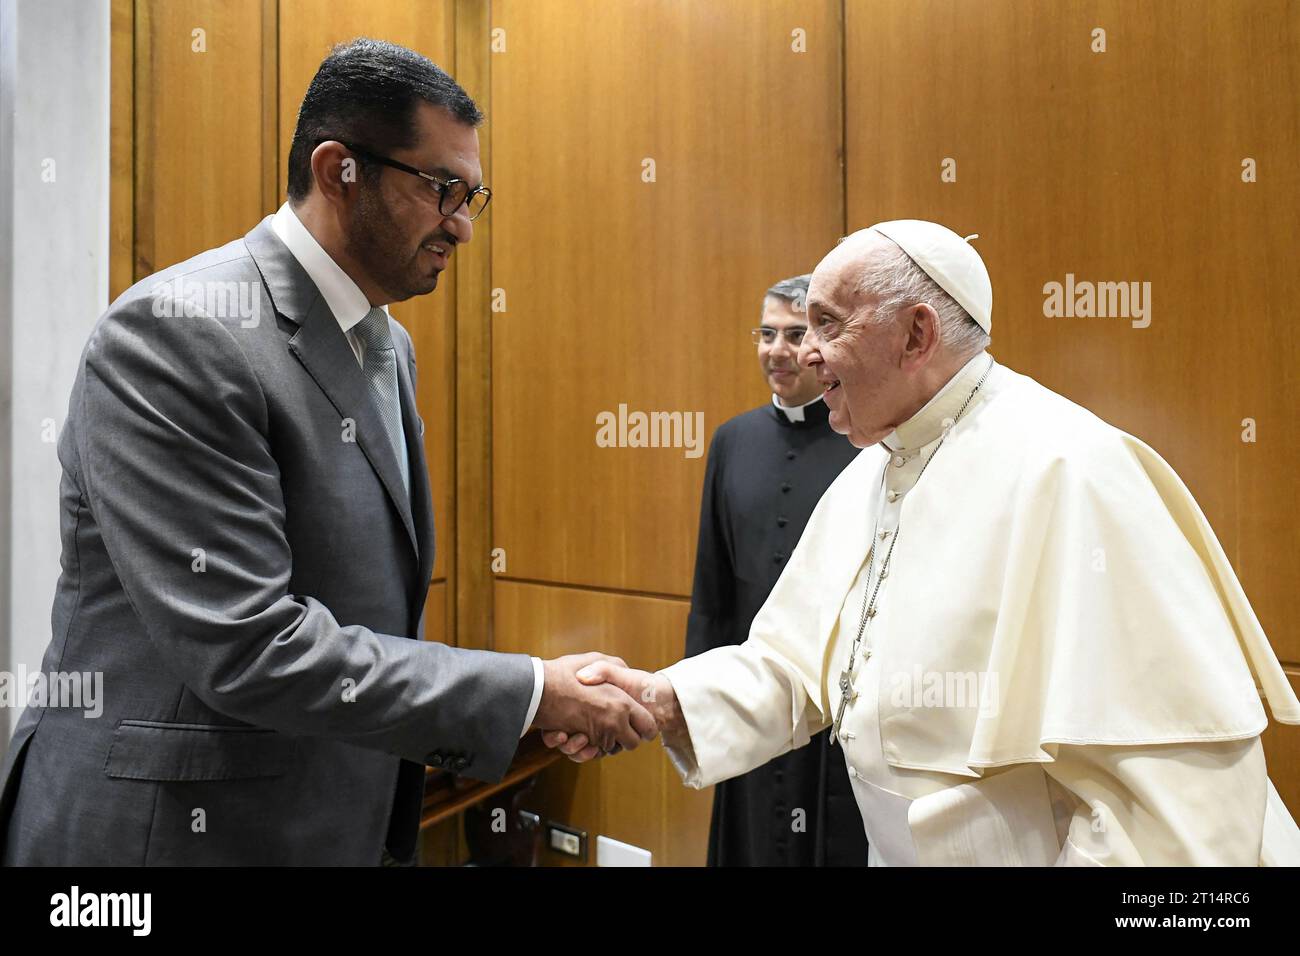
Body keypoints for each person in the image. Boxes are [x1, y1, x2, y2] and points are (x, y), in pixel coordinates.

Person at [0, 38, 654, 867]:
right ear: (340, 167)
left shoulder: (388, 345)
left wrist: (524, 697)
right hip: (165, 838)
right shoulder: (179, 334)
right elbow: (246, 643)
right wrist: (526, 693)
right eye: (441, 188)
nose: (461, 224)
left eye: (472, 195)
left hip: (322, 820)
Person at [546, 220, 1300, 866]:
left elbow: (1172, 808)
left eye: (829, 324)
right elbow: (795, 664)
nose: (806, 353)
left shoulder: (1072, 469)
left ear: (916, 334)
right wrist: (665, 700)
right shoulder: (875, 468)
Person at [686, 274, 865, 866]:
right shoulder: (731, 440)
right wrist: (697, 697)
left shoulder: (866, 445)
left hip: (831, 715)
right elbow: (711, 588)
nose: (776, 351)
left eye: (794, 334)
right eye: (766, 334)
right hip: (750, 697)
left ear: (821, 345)